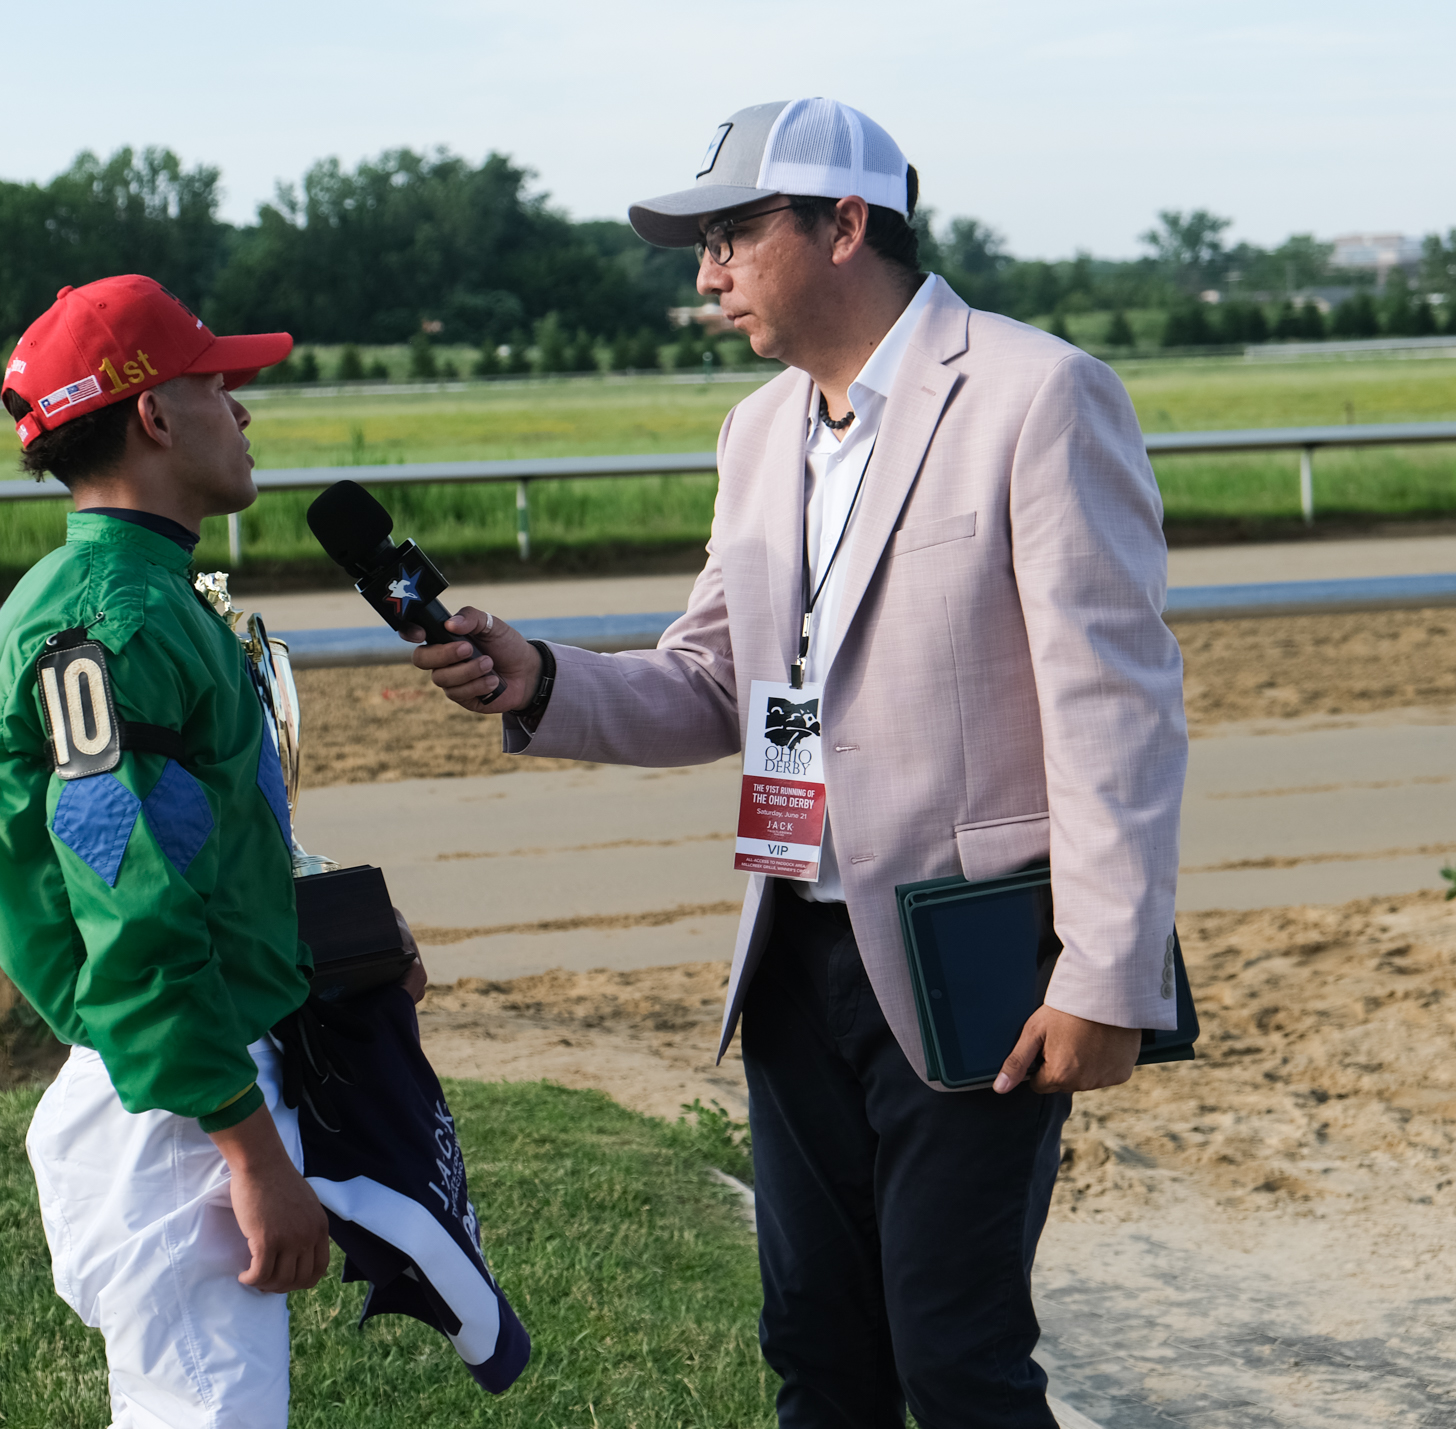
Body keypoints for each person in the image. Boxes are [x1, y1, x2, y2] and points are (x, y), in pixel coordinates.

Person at [409, 99, 1187, 1427]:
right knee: (818, 1351)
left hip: (974, 959)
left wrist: (1108, 975)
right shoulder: (757, 432)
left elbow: (1117, 710)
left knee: (955, 1357)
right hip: (792, 953)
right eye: (700, 246)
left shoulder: (1035, 392)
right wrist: (543, 676)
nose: (707, 273)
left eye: (729, 235)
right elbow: (716, 679)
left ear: (844, 224)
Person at [0, 275, 425, 1429]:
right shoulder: (112, 625)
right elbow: (132, 911)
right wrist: (248, 1152)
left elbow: (207, 857)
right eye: (220, 386)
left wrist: (341, 937)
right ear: (155, 415)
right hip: (174, 1110)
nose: (246, 412)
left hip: (184, 1078)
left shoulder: (150, 593)